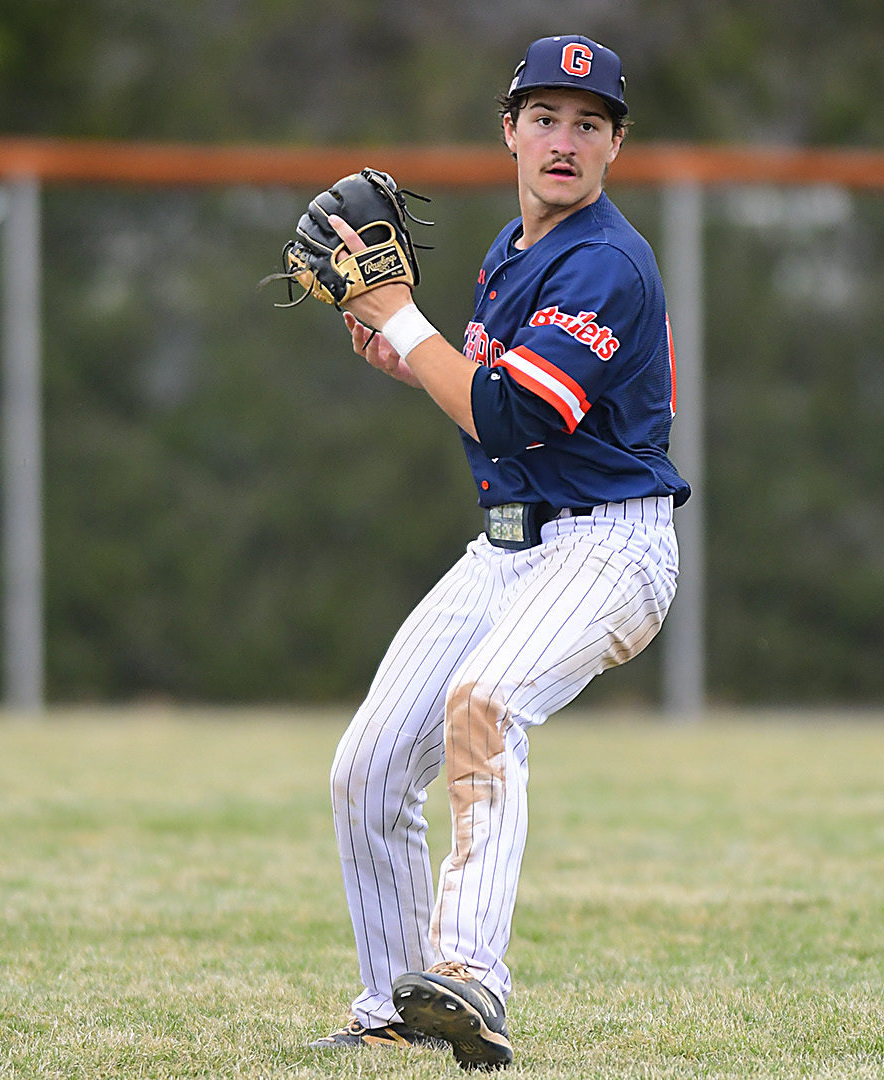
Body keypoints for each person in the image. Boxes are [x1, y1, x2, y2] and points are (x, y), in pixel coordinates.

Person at [309, 33, 689, 1071]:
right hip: (507, 552)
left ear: (615, 146)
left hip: (610, 550)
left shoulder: (607, 262)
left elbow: (512, 412)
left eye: (589, 123)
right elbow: (479, 397)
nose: (564, 140)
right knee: (367, 770)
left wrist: (404, 315)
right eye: (545, 117)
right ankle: (394, 1006)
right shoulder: (509, 253)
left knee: (482, 703)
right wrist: (400, 351)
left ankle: (471, 981)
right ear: (510, 131)